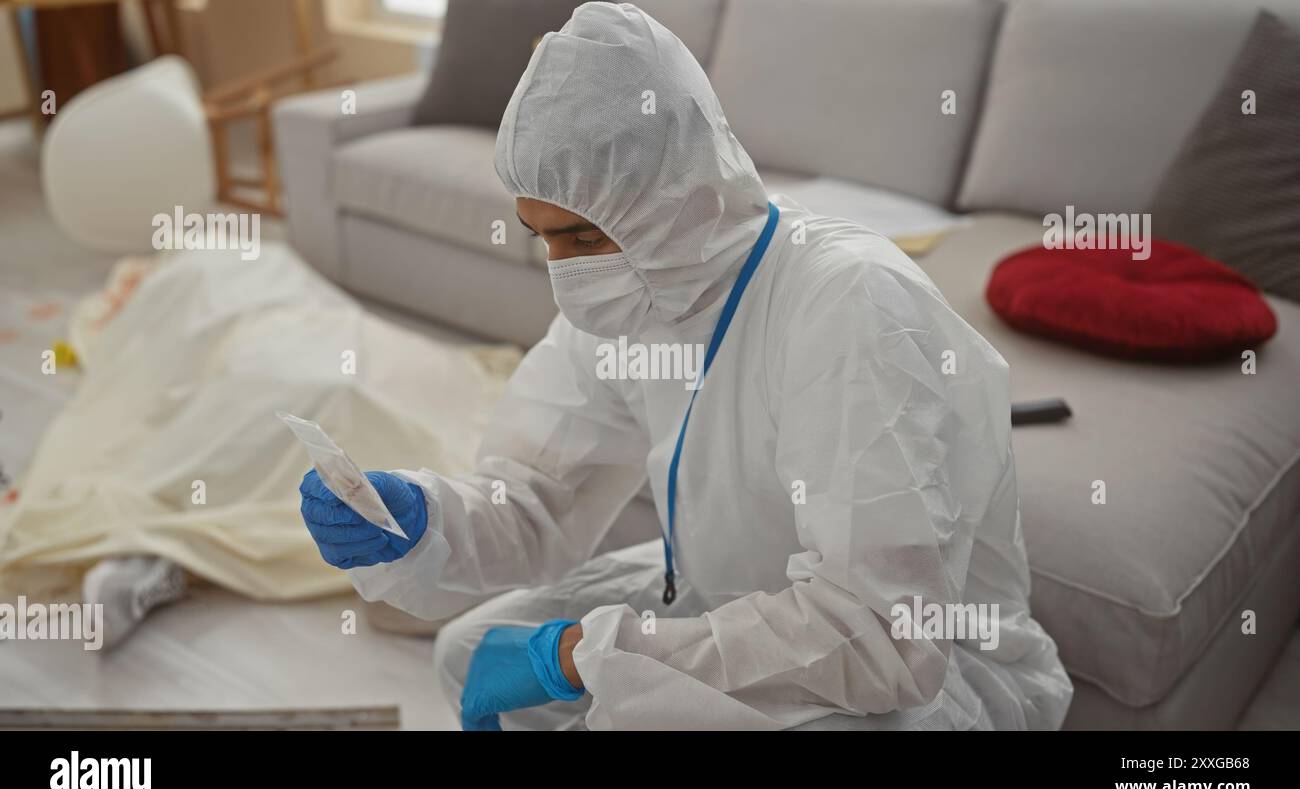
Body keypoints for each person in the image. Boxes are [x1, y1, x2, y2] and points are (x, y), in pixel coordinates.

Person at [298, 1, 1073, 730]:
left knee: (622, 701)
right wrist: (419, 520)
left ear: (665, 194)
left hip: (932, 674)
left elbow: (884, 635)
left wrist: (581, 655)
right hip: (732, 593)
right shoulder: (628, 298)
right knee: (466, 653)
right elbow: (540, 498)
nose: (562, 272)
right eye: (541, 237)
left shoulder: (847, 305)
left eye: (578, 236)